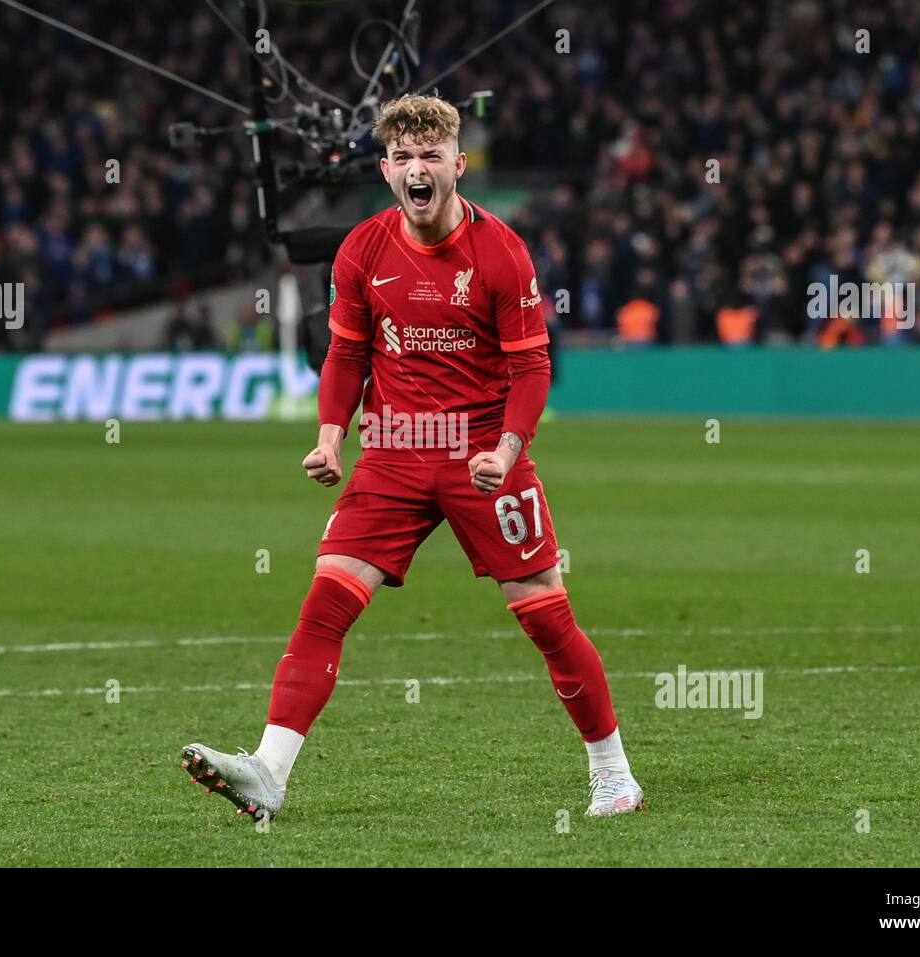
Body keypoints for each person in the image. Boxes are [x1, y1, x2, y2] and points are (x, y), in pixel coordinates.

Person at [182, 94, 644, 822]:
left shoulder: (501, 252)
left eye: (431, 156)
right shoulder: (362, 249)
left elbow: (532, 367)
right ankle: (268, 771)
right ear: (386, 168)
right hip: (393, 453)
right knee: (324, 604)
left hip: (482, 457)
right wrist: (331, 434)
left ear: (458, 165)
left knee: (546, 617)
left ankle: (613, 772)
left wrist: (507, 447)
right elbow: (345, 352)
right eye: (403, 157)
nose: (417, 168)